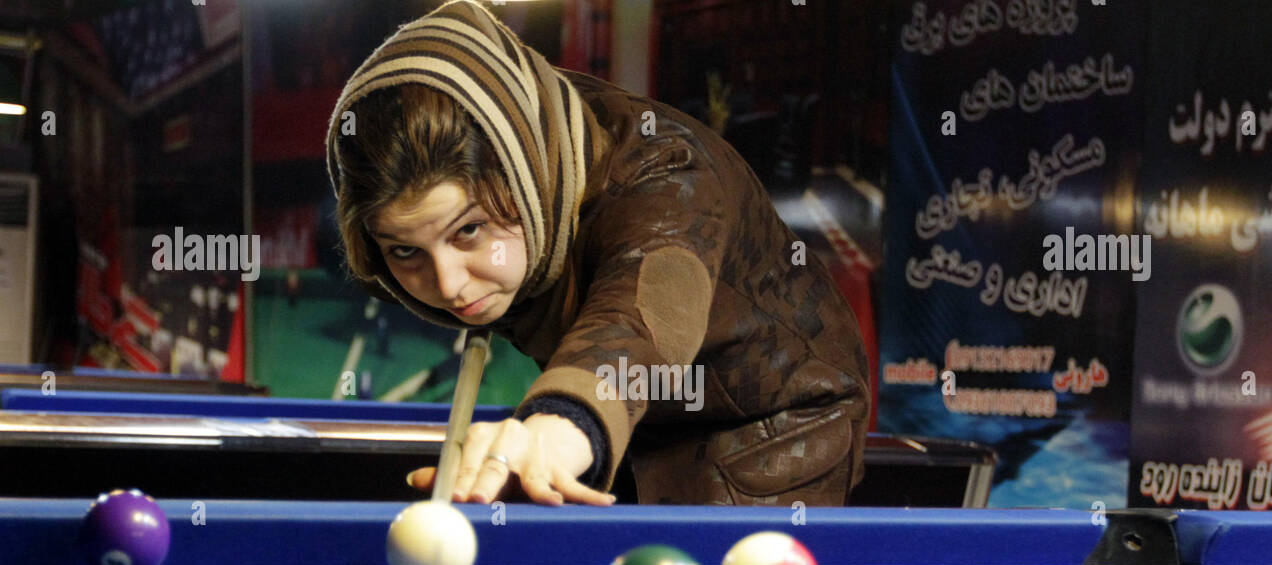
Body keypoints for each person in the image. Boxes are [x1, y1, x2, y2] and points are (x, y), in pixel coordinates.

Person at [327, 0, 872, 506]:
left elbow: (644, 318)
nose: (447, 285)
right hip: (630, 428)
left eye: (468, 231)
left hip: (771, 429)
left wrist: (557, 426)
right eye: (405, 251)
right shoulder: (523, 128)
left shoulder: (670, 183)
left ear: (526, 176)